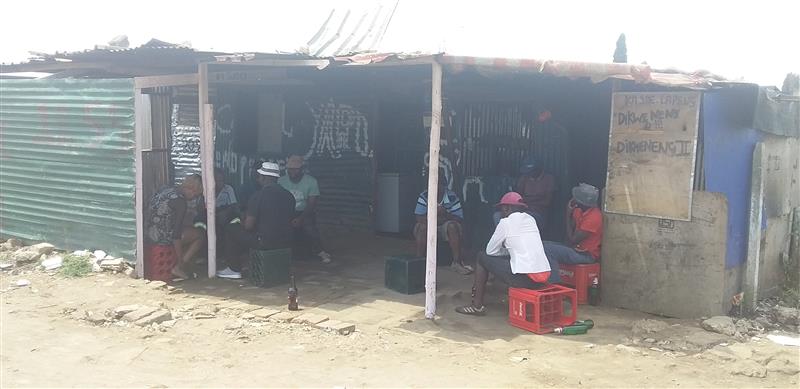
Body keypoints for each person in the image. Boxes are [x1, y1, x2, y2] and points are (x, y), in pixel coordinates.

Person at [456, 192, 552, 316]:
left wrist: (505, 250)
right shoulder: (531, 220)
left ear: (507, 208)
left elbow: (490, 251)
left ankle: (477, 306)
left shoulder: (505, 223)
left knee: (481, 257)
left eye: (502, 208)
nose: (501, 211)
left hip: (525, 279)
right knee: (510, 257)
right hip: (543, 278)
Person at [145, 174, 205, 280]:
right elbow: (176, 234)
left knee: (188, 228)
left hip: (148, 233)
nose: (193, 199)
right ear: (191, 189)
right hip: (161, 238)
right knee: (200, 235)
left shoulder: (167, 189)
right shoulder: (180, 201)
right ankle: (178, 268)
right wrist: (180, 258)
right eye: (195, 195)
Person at [278, 155, 332, 263]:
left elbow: (311, 204)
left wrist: (301, 218)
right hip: (286, 212)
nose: (292, 171)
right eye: (290, 169)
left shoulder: (311, 181)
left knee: (310, 229)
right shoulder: (280, 181)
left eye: (295, 169)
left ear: (302, 169)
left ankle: (321, 251)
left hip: (305, 212)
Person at [414, 174, 471, 274]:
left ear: (443, 185)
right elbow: (419, 217)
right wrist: (434, 216)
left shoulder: (451, 196)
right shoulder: (424, 195)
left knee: (452, 226)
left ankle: (456, 263)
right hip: (428, 224)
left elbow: (459, 218)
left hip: (445, 226)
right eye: (433, 184)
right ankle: (419, 263)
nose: (436, 187)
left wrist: (445, 213)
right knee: (422, 227)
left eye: (439, 184)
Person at [543, 183, 603, 265]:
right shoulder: (578, 210)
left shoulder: (594, 217)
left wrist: (568, 215)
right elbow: (570, 235)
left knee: (548, 250)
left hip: (586, 255)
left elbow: (573, 239)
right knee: (541, 244)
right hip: (575, 249)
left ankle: (554, 278)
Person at [245, 162, 296, 251]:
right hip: (286, 243)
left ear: (263, 178)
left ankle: (234, 265)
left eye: (259, 176)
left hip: (264, 243)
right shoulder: (290, 196)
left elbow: (248, 226)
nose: (258, 179)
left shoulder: (257, 196)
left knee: (231, 228)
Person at [493, 157, 555, 231]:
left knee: (521, 220)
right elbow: (518, 198)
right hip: (519, 210)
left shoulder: (549, 179)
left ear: (538, 169)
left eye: (532, 171)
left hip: (537, 213)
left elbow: (547, 202)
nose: (529, 173)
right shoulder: (524, 177)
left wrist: (526, 200)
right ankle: (505, 238)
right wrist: (537, 198)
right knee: (497, 216)